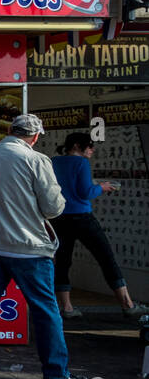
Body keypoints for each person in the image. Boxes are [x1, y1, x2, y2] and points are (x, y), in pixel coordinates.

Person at [0, 114, 87, 379]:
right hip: (29, 248)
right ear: (35, 137)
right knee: (45, 309)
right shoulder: (36, 160)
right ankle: (55, 374)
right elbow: (53, 208)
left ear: (9, 131)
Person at [51, 132, 147, 320]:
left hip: (59, 217)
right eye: (90, 146)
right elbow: (85, 192)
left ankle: (67, 308)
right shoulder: (81, 163)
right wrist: (102, 187)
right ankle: (127, 304)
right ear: (78, 146)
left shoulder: (54, 161)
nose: (92, 150)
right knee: (106, 257)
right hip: (82, 218)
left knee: (62, 262)